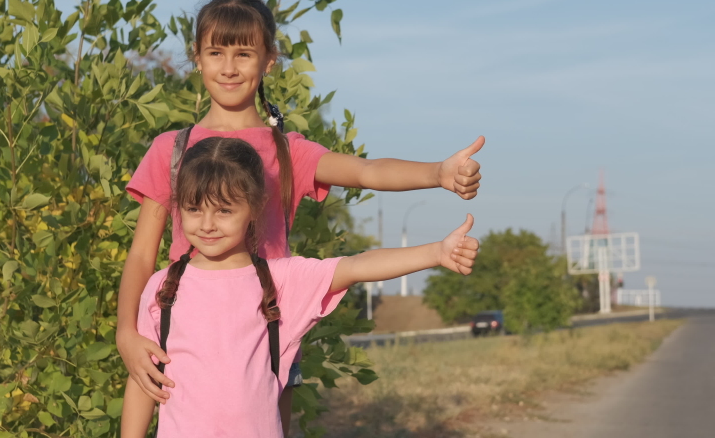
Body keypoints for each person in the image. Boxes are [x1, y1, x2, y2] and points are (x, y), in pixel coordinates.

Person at [117, 0, 485, 433]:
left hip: (268, 328)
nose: (229, 67)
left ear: (269, 60)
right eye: (216, 52)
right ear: (197, 57)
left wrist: (438, 173)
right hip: (188, 327)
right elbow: (141, 257)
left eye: (244, 53)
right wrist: (126, 334)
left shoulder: (287, 152)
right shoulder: (170, 151)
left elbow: (366, 172)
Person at [120, 137, 479, 437]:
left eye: (225, 210)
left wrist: (436, 252)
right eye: (194, 209)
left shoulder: (281, 281)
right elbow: (142, 380)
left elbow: (356, 267)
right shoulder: (162, 288)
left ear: (255, 207)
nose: (208, 223)